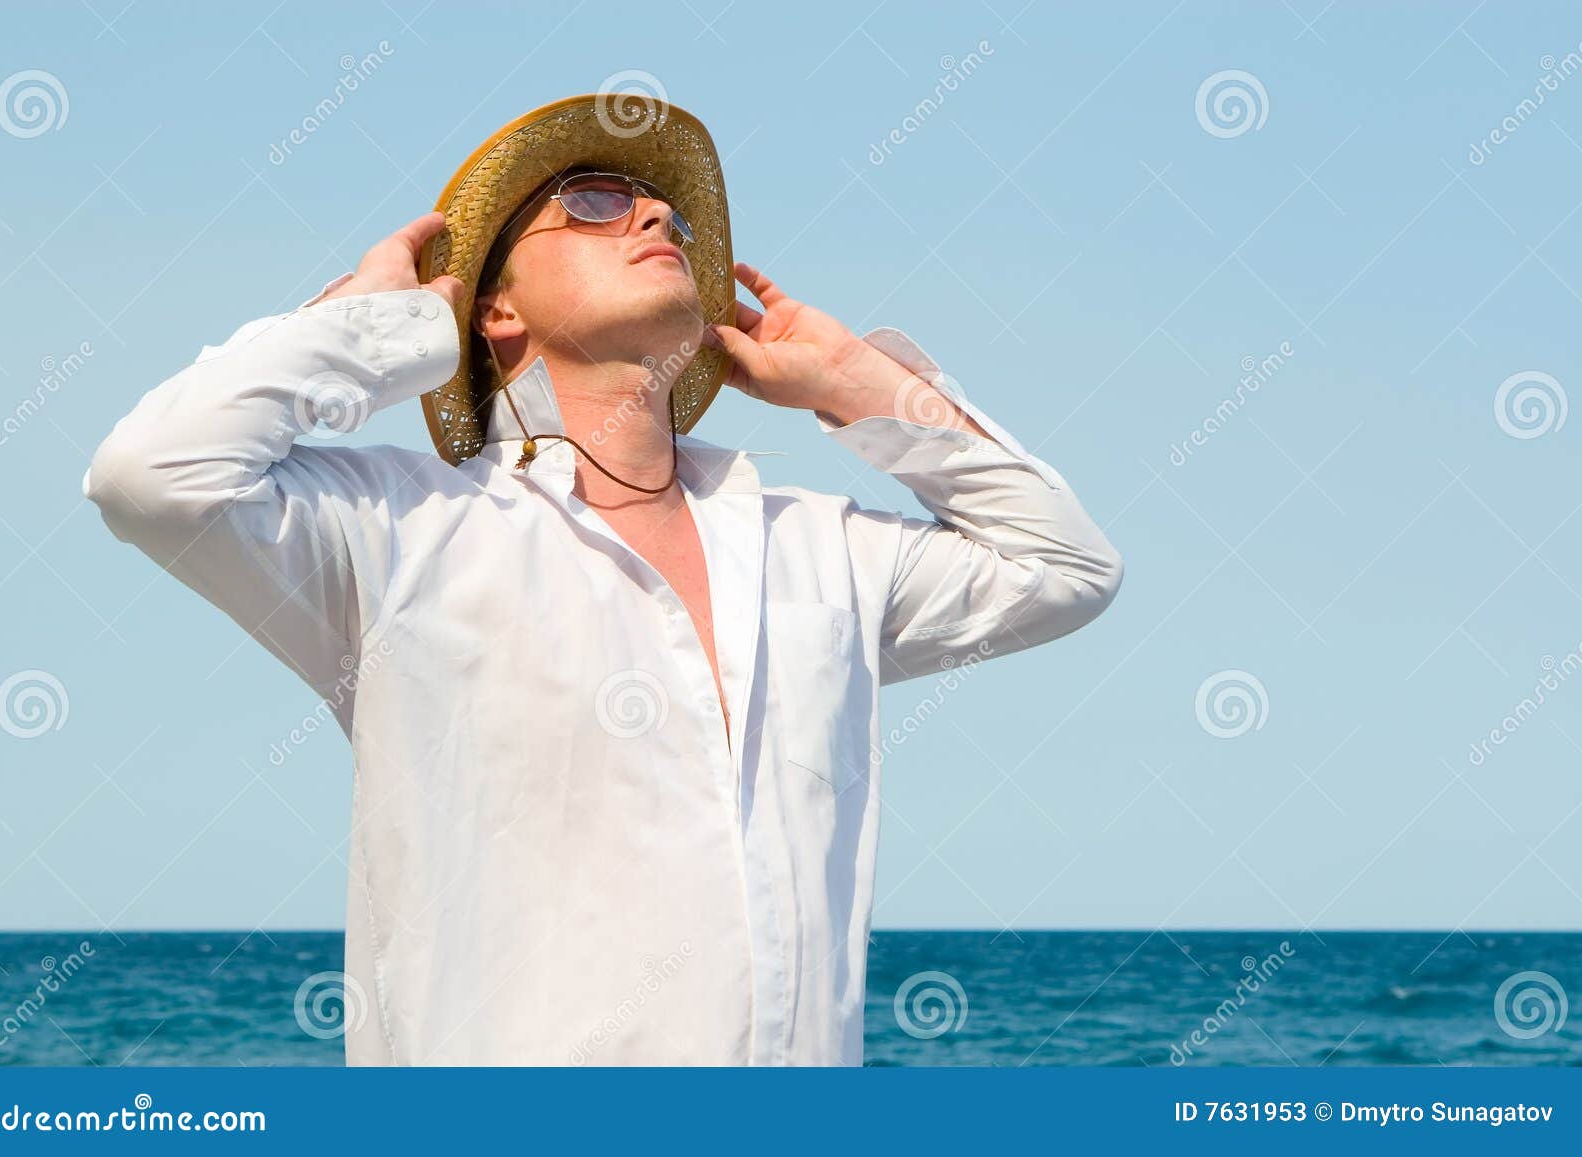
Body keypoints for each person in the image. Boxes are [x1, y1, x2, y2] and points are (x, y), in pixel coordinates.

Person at [82, 96, 1123, 1065]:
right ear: (494, 308)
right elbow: (153, 474)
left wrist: (859, 384)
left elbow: (1065, 566)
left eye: (666, 211)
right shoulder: (399, 527)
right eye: (592, 202)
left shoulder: (816, 544)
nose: (656, 217)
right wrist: (367, 322)